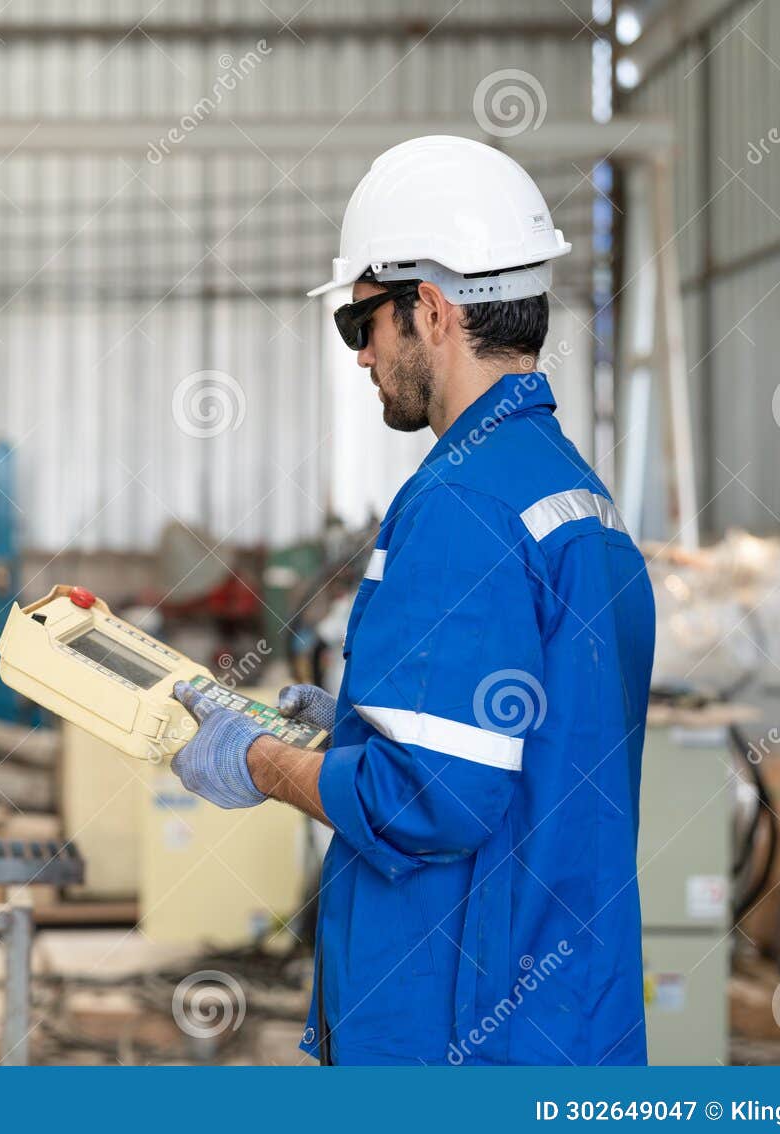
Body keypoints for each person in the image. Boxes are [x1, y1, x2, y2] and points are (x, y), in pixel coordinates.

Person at [170, 135, 655, 1066]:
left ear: (428, 310)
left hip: (456, 1033)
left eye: (361, 327)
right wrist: (356, 729)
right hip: (566, 1018)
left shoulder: (460, 503)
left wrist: (263, 762)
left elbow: (432, 800)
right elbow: (520, 749)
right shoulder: (569, 492)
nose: (359, 359)